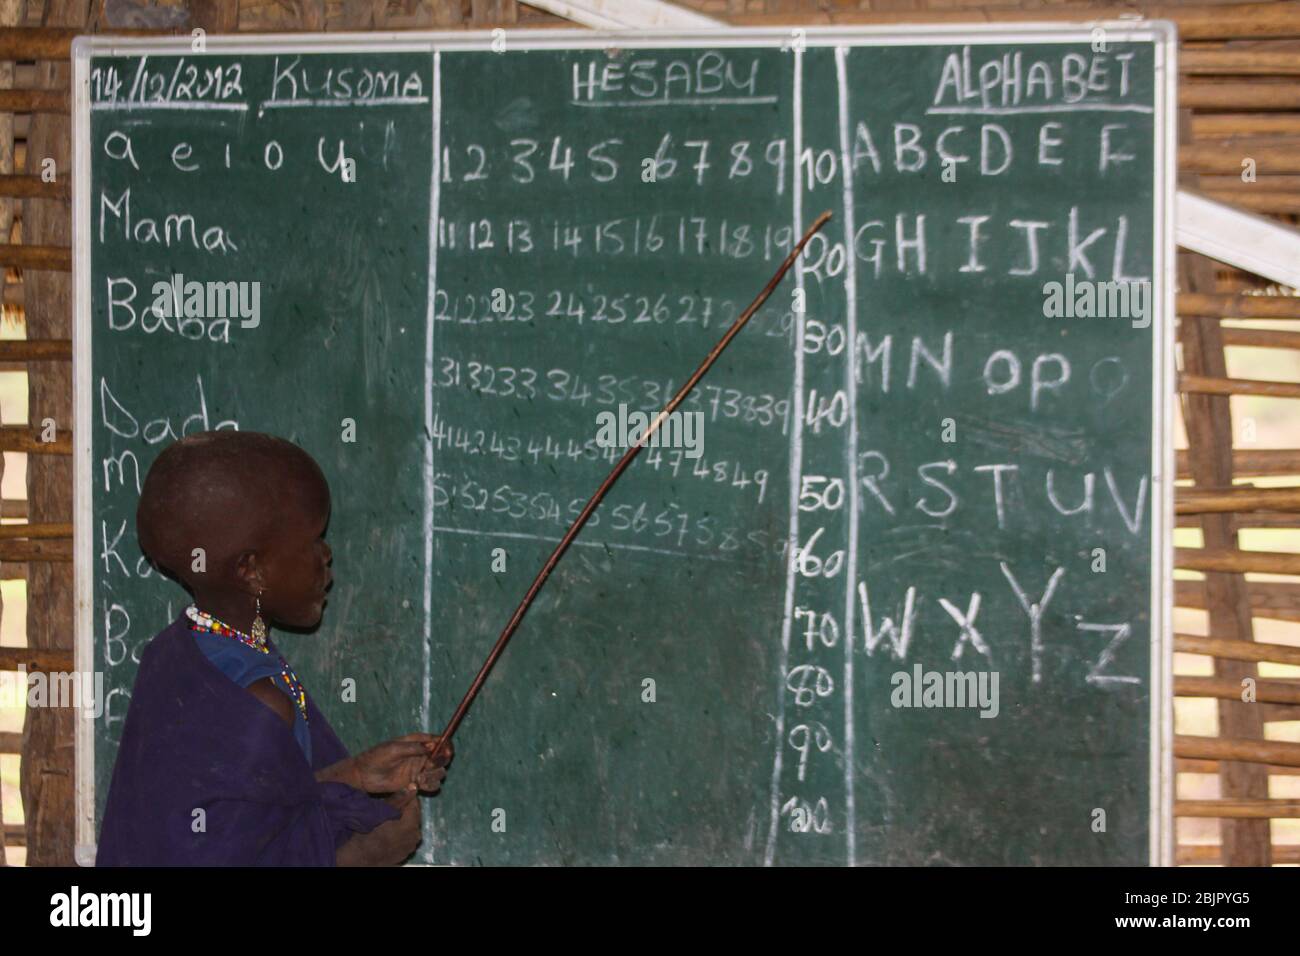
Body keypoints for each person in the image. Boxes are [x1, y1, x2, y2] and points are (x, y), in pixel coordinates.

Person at [97, 430, 450, 866]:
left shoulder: (182, 653)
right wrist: (364, 856)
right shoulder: (257, 702)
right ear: (252, 571)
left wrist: (356, 776)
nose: (327, 555)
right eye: (312, 541)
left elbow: (254, 811)